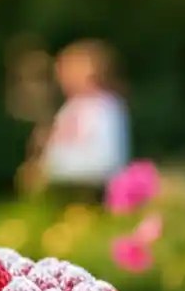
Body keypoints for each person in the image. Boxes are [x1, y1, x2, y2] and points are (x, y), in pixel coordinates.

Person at [38, 39, 130, 203]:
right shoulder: (69, 108)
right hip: (63, 186)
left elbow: (108, 157)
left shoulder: (105, 107)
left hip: (93, 187)